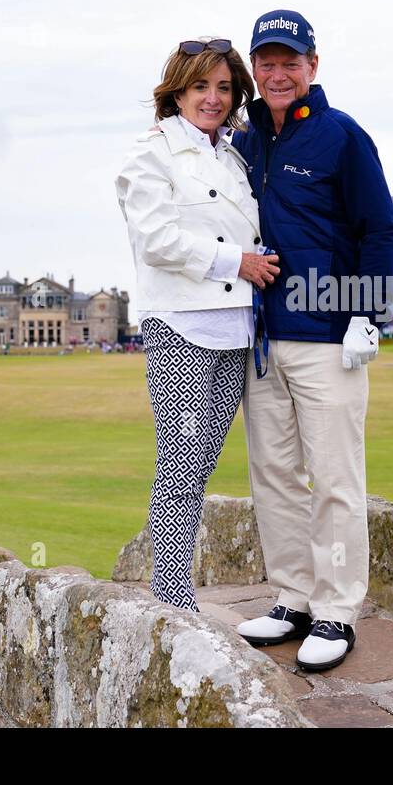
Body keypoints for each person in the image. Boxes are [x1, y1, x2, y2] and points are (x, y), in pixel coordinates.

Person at [230, 10, 393, 672]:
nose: (277, 73)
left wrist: (367, 314)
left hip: (329, 336)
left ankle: (336, 610)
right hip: (264, 337)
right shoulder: (245, 142)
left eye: (289, 61)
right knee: (274, 477)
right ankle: (293, 596)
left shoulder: (342, 136)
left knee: (334, 478)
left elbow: (379, 230)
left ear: (312, 67)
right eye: (266, 62)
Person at [115, 36, 279, 612]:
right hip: (180, 325)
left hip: (237, 328)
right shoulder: (150, 153)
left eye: (224, 87)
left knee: (202, 463)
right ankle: (172, 600)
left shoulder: (232, 155)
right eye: (201, 86)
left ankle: (176, 594)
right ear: (177, 91)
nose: (213, 98)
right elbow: (157, 241)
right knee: (180, 464)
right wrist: (240, 263)